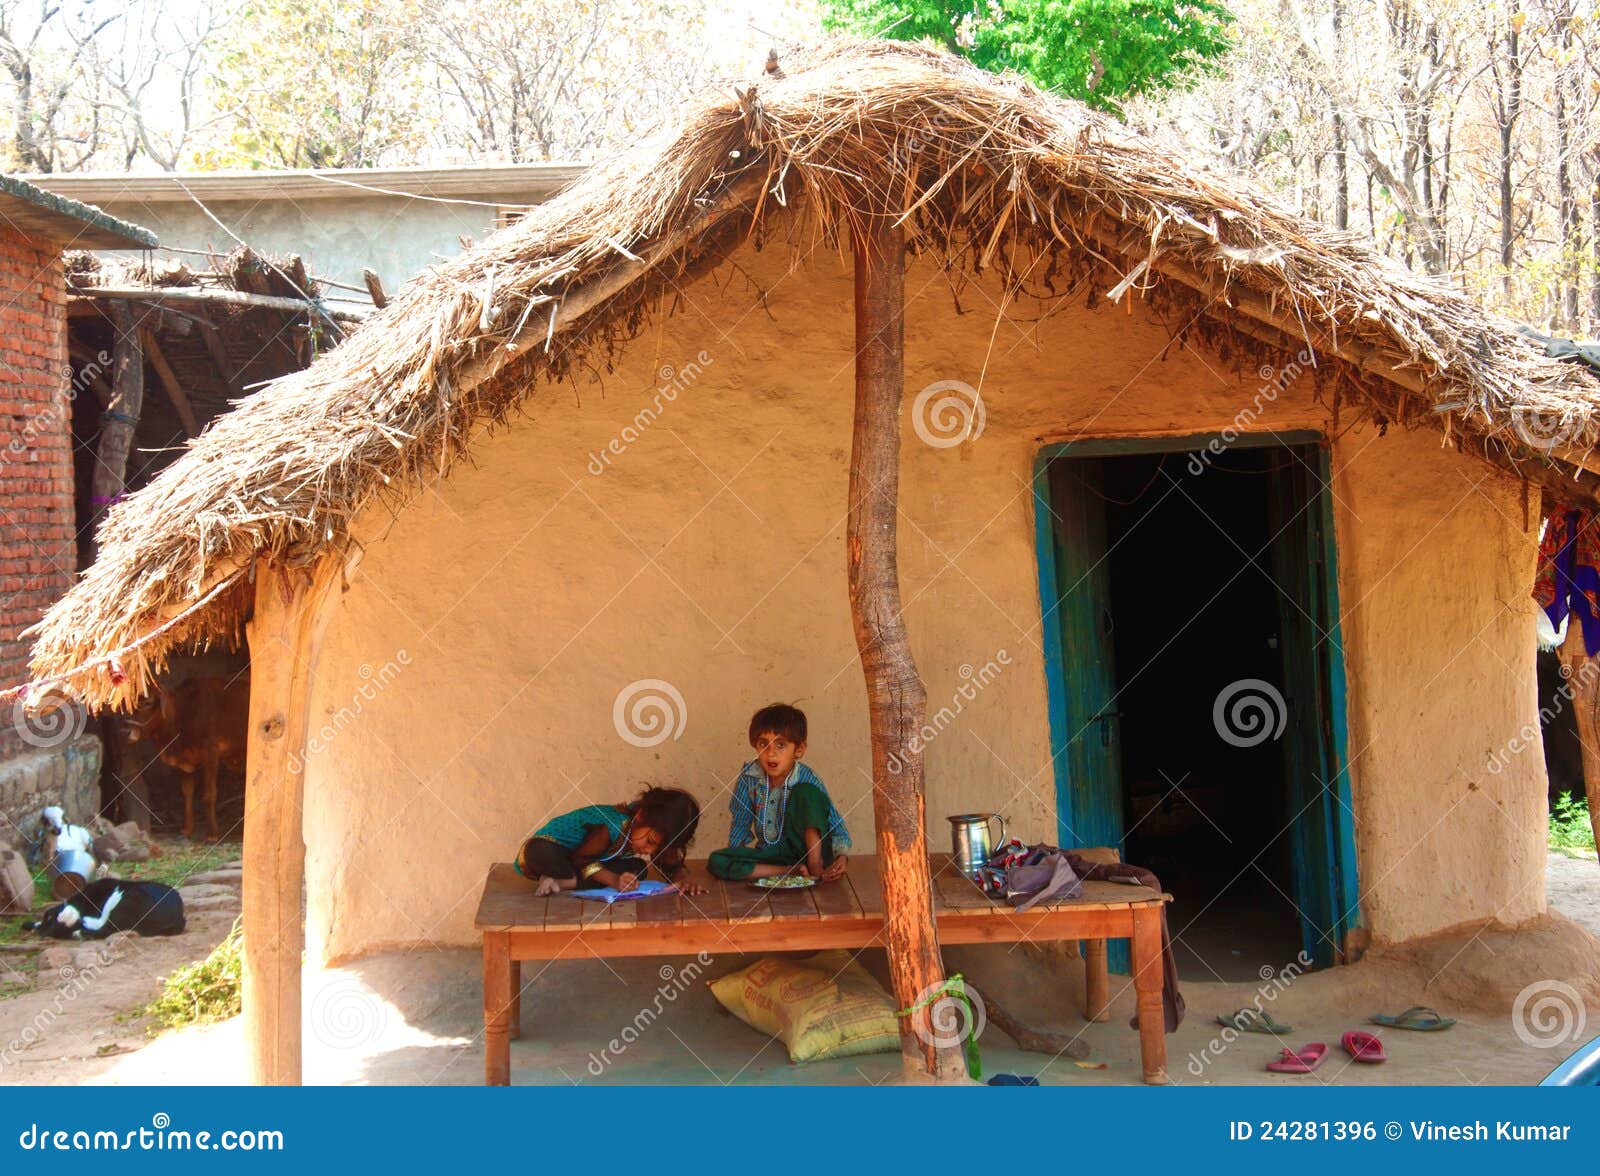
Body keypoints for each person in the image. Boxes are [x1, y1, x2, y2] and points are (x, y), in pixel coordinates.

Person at [708, 703, 852, 882]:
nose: (771, 753)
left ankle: (814, 866)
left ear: (799, 749)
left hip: (808, 852)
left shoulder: (807, 777)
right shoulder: (749, 777)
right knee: (717, 860)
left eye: (781, 745)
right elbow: (740, 821)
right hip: (771, 856)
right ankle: (789, 871)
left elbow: (834, 822)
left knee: (806, 793)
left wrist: (842, 857)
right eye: (763, 744)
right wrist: (737, 854)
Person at [515, 786, 705, 896]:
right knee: (539, 850)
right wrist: (614, 880)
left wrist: (682, 881)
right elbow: (582, 860)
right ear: (640, 815)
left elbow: (669, 863)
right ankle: (561, 878)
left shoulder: (649, 829)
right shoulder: (611, 826)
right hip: (554, 854)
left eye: (656, 847)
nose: (648, 850)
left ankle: (561, 882)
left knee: (638, 869)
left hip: (584, 864)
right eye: (649, 841)